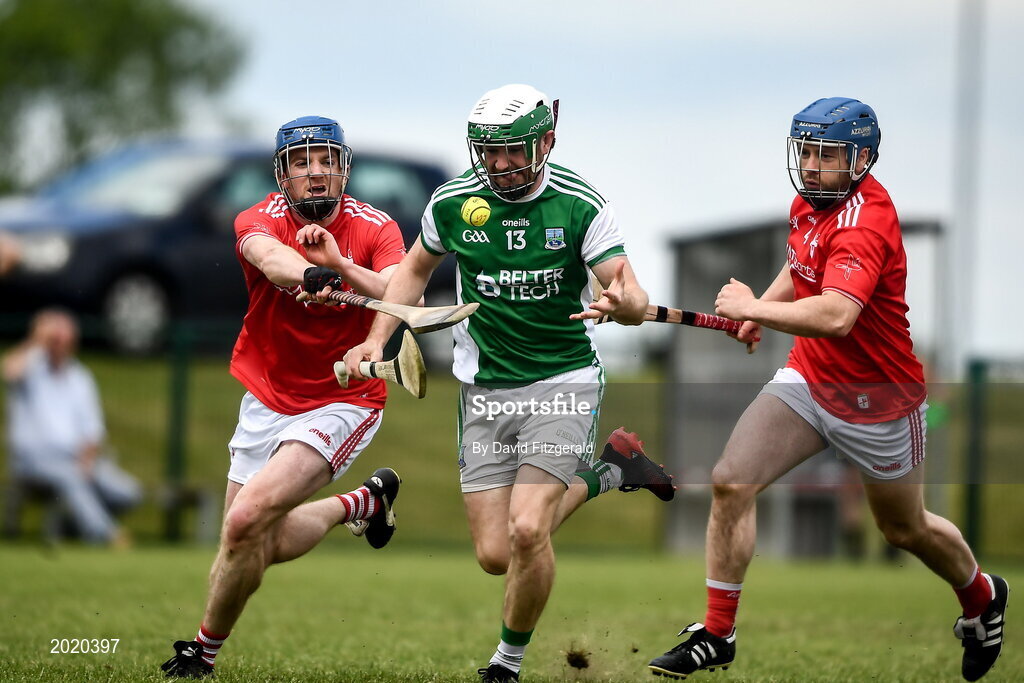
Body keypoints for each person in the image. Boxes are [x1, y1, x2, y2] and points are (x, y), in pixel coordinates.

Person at [647, 98, 1008, 682]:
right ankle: (717, 633)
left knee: (904, 528)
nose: (813, 166)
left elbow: (839, 314)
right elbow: (801, 265)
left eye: (828, 155)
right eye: (807, 152)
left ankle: (983, 596)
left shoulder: (867, 222)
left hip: (878, 400)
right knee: (730, 479)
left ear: (861, 158)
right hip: (810, 379)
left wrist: (751, 307)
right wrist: (763, 311)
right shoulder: (808, 203)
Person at [344, 84, 675, 683]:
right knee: (497, 555)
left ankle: (506, 662)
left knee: (528, 529)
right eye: (487, 151)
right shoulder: (453, 203)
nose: (498, 165)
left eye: (512, 151)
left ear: (546, 141)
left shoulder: (581, 205)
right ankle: (611, 472)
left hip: (563, 382)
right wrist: (377, 339)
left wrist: (625, 302)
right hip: (485, 390)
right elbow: (414, 269)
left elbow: (628, 292)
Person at [160, 116, 406, 678]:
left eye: (326, 162)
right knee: (247, 541)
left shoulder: (376, 227)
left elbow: (399, 292)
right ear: (283, 173)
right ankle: (359, 505)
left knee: (246, 520)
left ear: (343, 169)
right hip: (266, 394)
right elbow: (270, 258)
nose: (316, 174)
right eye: (303, 163)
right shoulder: (256, 217)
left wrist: (340, 267)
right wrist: (310, 276)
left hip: (343, 398)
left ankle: (200, 654)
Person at [3, 308, 142, 545]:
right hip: (33, 459)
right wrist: (37, 341)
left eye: (64, 340)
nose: (60, 345)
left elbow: (92, 429)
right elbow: (9, 371)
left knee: (128, 492)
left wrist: (87, 459)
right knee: (71, 477)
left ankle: (75, 525)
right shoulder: (31, 367)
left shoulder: (80, 377)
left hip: (75, 457)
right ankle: (106, 536)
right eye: (54, 340)